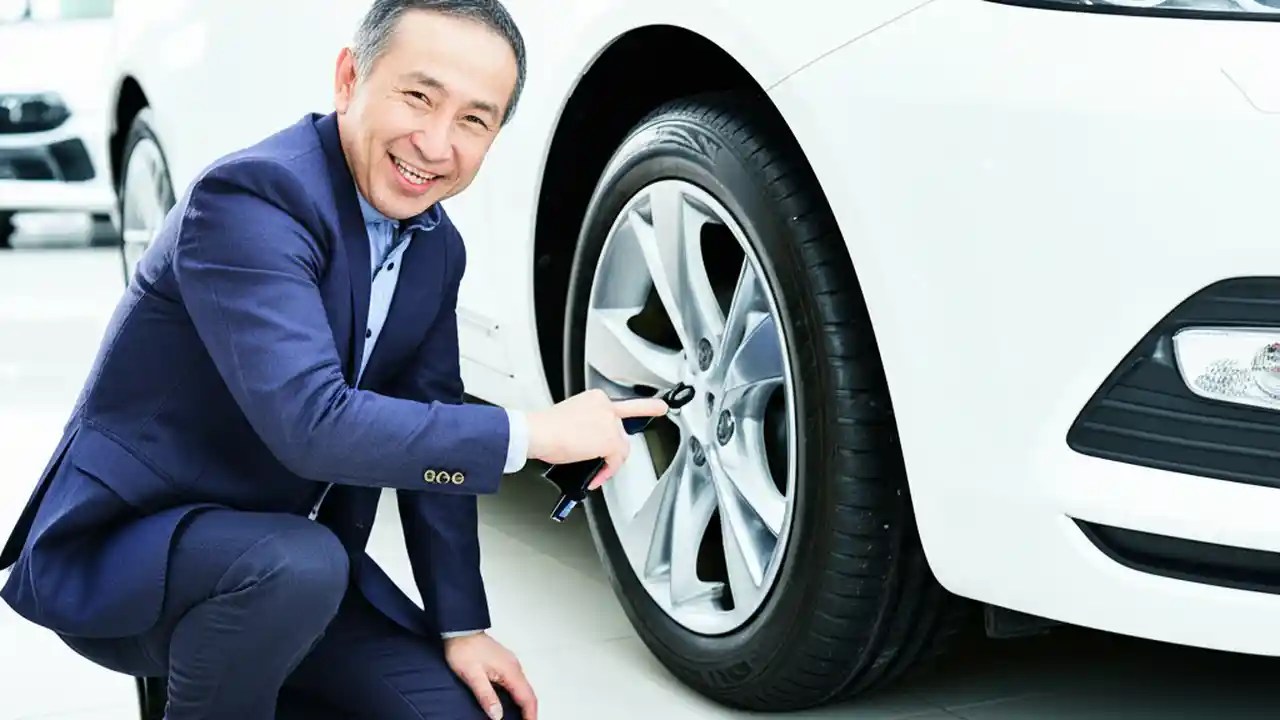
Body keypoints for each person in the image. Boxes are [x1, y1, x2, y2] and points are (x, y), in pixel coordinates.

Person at [0, 1, 669, 718]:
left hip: (285, 564)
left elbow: (433, 416)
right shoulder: (253, 199)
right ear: (350, 78)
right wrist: (534, 434)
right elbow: (311, 424)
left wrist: (462, 626)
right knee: (299, 567)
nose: (436, 143)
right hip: (132, 550)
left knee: (470, 710)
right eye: (419, 97)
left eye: (474, 121)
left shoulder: (435, 247)